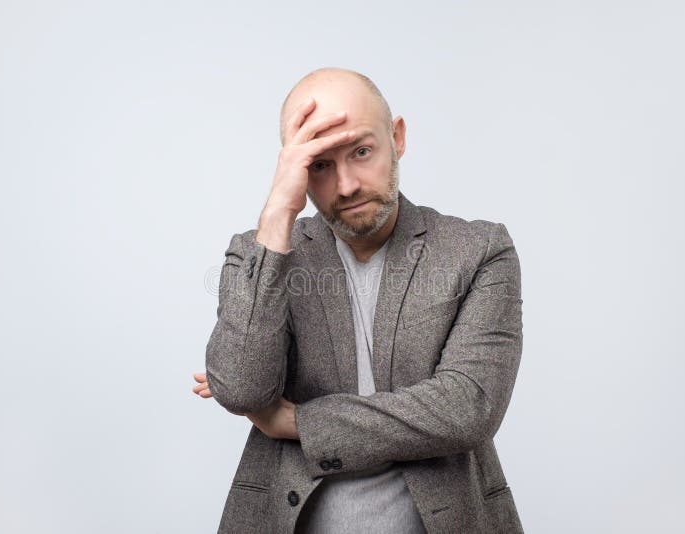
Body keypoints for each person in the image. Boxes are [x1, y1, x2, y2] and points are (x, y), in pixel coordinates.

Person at [191, 67, 525, 533]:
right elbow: (243, 389)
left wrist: (297, 422)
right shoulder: (262, 253)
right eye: (321, 165)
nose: (346, 186)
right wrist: (278, 214)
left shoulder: (479, 251)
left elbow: (466, 409)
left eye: (362, 152)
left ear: (398, 138)